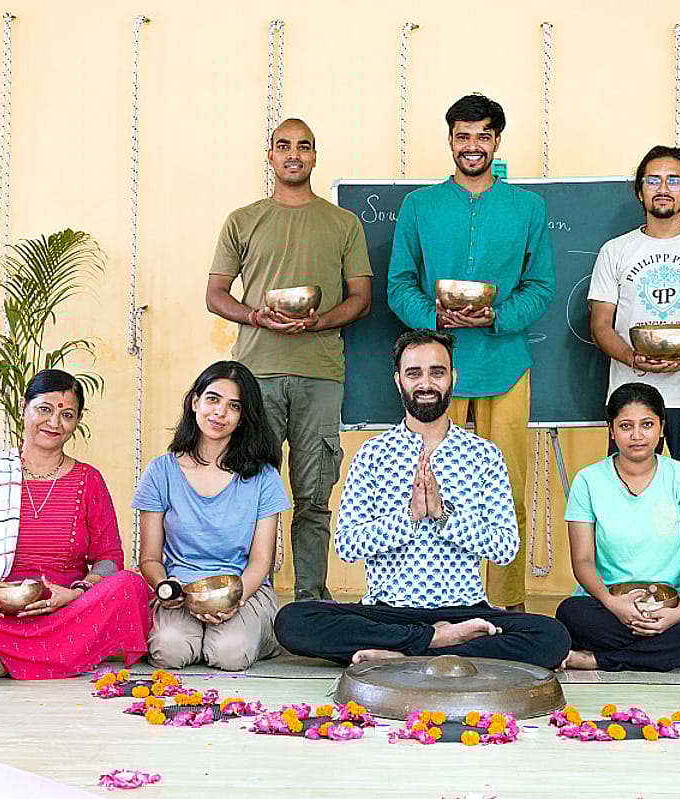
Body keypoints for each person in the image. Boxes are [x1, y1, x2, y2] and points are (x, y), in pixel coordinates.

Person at [273, 330, 571, 668]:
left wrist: (446, 517)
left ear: (453, 378)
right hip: (387, 612)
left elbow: (506, 548)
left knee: (552, 636)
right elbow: (347, 545)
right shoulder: (374, 454)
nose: (426, 383)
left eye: (437, 372)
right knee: (293, 620)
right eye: (414, 373)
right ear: (399, 381)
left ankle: (400, 655)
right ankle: (436, 644)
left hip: (464, 609)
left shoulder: (483, 455)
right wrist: (408, 519)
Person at [387, 94, 555, 612]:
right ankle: (430, 601)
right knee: (425, 490)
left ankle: (509, 605)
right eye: (463, 136)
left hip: (505, 366)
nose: (473, 146)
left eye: (483, 136)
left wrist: (497, 317)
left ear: (497, 141)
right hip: (435, 376)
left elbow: (541, 287)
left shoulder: (528, 207)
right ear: (451, 140)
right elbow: (398, 285)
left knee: (509, 494)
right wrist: (434, 319)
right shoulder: (419, 206)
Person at [206, 118, 373, 601]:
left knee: (313, 498)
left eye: (304, 147)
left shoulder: (343, 224)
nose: (293, 154)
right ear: (271, 155)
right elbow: (216, 295)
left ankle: (310, 604)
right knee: (245, 492)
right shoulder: (243, 219)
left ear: (315, 156)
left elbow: (361, 298)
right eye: (284, 146)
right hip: (255, 376)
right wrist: (256, 316)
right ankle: (241, 598)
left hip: (321, 375)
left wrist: (320, 321)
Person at [588, 145, 680, 609]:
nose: (663, 188)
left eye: (673, 180)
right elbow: (600, 325)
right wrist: (633, 357)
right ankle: (622, 601)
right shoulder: (617, 251)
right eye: (653, 180)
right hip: (632, 400)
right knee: (625, 511)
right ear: (640, 191)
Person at [0, 370, 152, 683]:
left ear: (77, 421)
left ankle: (6, 657)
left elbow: (109, 558)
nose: (54, 423)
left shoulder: (88, 480)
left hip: (65, 608)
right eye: (45, 409)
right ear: (24, 407)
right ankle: (52, 654)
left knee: (131, 586)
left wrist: (75, 593)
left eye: (67, 415)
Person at [555, 383, 680, 672]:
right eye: (626, 426)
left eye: (647, 425)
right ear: (611, 431)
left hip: (670, 606)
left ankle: (600, 659)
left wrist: (679, 613)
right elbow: (582, 561)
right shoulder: (588, 481)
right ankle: (674, 652)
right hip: (608, 607)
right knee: (571, 614)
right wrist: (613, 605)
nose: (637, 435)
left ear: (662, 428)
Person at [133, 361, 290, 671]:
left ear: (243, 418)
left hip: (244, 588)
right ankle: (201, 634)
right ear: (195, 402)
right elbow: (149, 558)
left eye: (234, 406)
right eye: (213, 399)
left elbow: (261, 562)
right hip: (180, 590)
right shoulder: (160, 471)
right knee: (169, 650)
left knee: (230, 654)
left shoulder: (263, 477)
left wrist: (232, 598)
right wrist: (166, 589)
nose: (220, 413)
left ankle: (257, 630)